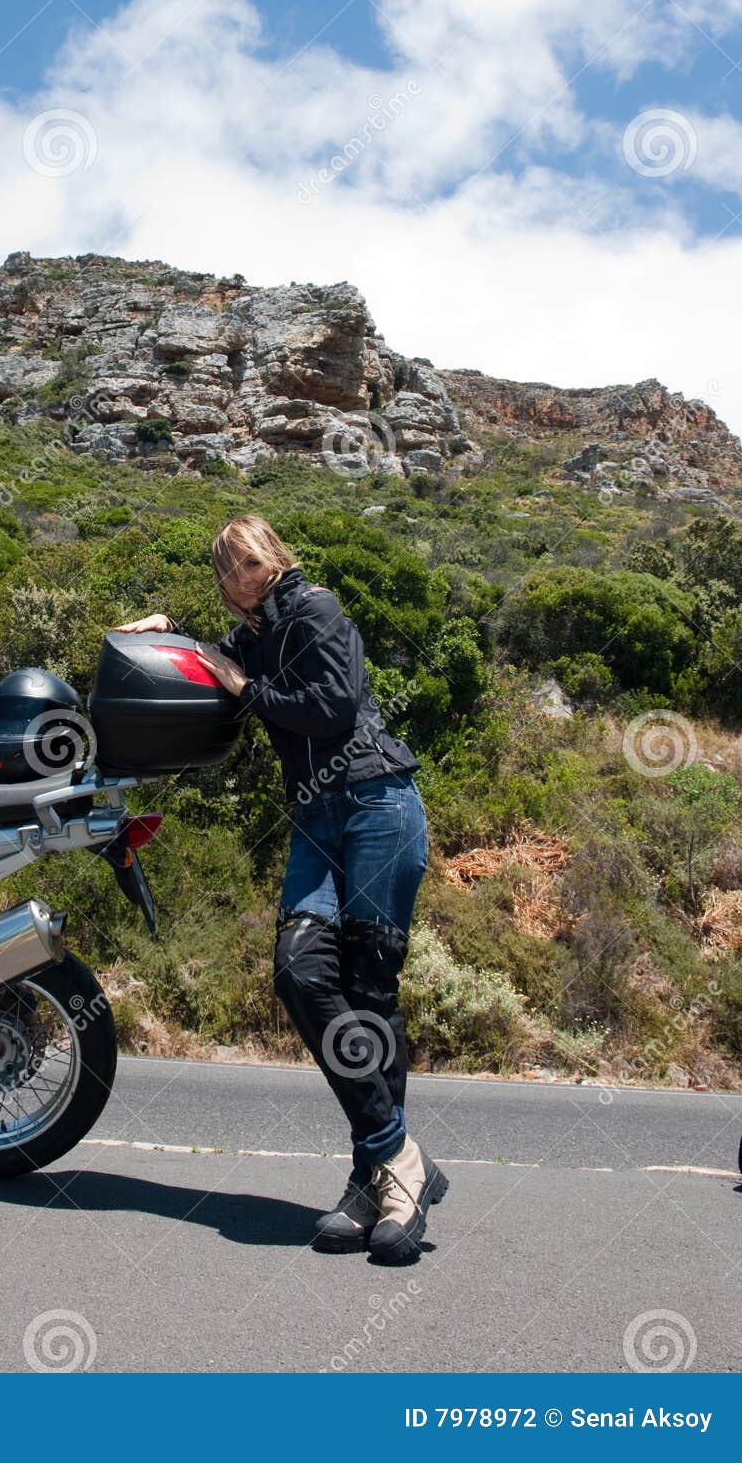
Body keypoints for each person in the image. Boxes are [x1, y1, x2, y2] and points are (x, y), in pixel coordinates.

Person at [115, 514, 448, 1263]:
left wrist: (242, 681)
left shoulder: (315, 609)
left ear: (271, 557)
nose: (237, 574)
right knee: (299, 974)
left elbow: (329, 710)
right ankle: (398, 1162)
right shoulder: (255, 632)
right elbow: (209, 664)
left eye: (246, 559)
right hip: (317, 818)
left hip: (374, 802)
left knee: (368, 993)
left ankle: (376, 1182)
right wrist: (161, 636)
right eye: (224, 566)